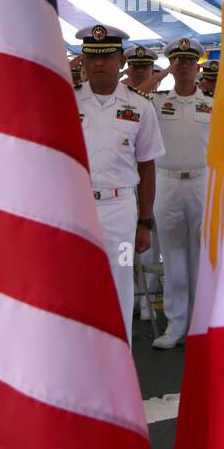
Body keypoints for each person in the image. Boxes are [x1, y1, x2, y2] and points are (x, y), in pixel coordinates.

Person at [74, 24, 164, 343]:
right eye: (93, 56)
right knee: (77, 288)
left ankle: (119, 370)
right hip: (75, 209)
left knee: (121, 286)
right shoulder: (67, 102)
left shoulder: (140, 107)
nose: (100, 63)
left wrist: (144, 222)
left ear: (121, 60)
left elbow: (148, 166)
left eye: (108, 56)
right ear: (83, 60)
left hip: (120, 208)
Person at [147, 37, 211, 349]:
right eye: (178, 61)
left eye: (188, 60)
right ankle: (175, 326)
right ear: (172, 65)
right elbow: (132, 94)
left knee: (200, 257)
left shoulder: (211, 103)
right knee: (172, 257)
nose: (184, 65)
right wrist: (161, 74)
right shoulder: (158, 101)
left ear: (197, 65)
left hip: (201, 181)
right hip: (167, 181)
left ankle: (200, 325)